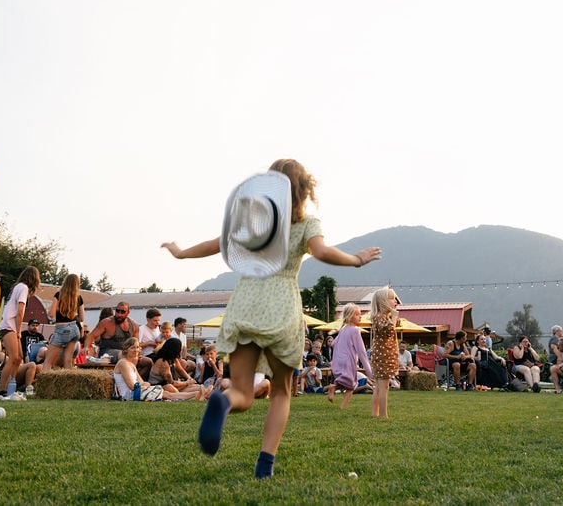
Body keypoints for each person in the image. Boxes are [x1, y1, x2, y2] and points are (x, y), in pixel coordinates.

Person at [161, 158, 380, 478]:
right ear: (304, 191)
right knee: (280, 391)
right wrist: (355, 260)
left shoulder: (255, 224)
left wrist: (180, 252)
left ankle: (223, 402)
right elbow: (321, 252)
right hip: (281, 307)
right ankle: (265, 465)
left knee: (243, 393)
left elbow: (218, 243)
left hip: (246, 303)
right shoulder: (307, 224)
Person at [0, 266, 40, 398]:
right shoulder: (24, 288)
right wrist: (19, 331)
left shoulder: (18, 287)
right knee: (13, 358)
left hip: (10, 325)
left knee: (19, 357)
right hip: (10, 325)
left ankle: (12, 384)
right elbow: (20, 312)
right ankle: (2, 390)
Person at [112, 338, 201, 402]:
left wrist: (145, 385)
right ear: (126, 350)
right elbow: (132, 386)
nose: (136, 350)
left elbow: (142, 382)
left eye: (137, 347)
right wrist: (145, 386)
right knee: (168, 394)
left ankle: (198, 393)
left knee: (166, 393)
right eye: (133, 348)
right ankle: (196, 394)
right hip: (128, 395)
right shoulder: (123, 363)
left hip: (136, 392)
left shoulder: (131, 364)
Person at [326, 304, 372, 409]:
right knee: (351, 386)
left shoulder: (343, 330)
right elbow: (362, 352)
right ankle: (342, 406)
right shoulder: (355, 330)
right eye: (357, 314)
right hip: (348, 361)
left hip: (338, 361)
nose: (360, 317)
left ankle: (334, 388)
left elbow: (333, 344)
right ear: (350, 316)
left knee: (346, 383)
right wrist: (369, 372)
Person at [43, 273, 84, 371]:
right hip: (75, 329)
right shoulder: (79, 298)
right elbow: (82, 318)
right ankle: (69, 385)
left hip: (62, 329)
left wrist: (59, 309)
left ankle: (43, 385)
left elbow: (51, 314)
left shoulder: (59, 295)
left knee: (48, 361)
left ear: (65, 282)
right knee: (68, 360)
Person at [368, 287, 399, 418]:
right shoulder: (380, 318)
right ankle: (383, 415)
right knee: (383, 387)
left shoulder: (382, 317)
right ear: (383, 302)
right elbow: (388, 331)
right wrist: (394, 317)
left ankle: (375, 414)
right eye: (391, 298)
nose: (395, 301)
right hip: (383, 357)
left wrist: (393, 318)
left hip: (384, 356)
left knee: (379, 387)